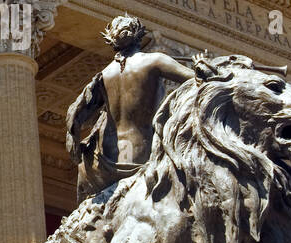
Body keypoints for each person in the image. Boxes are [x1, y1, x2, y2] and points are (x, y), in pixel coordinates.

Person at [65, 14, 200, 202]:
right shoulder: (155, 61)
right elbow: (200, 81)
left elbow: (79, 118)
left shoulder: (104, 76)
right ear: (138, 33)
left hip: (107, 161)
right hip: (141, 153)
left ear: (111, 39)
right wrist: (203, 65)